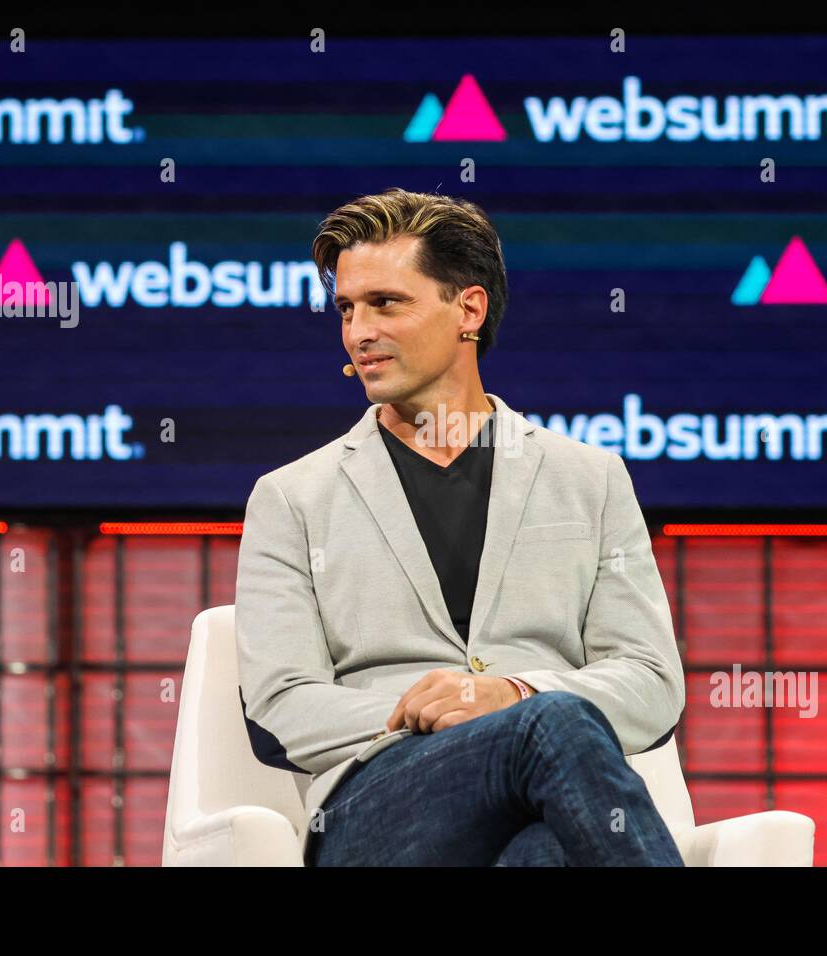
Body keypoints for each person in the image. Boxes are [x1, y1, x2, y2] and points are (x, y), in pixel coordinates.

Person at [235, 187, 685, 866]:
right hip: (375, 810)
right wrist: (438, 715)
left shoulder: (589, 478)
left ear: (468, 309)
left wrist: (508, 693)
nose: (358, 332)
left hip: (539, 804)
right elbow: (278, 706)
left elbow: (652, 681)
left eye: (386, 303)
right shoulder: (291, 498)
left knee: (542, 855)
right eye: (347, 309)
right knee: (550, 724)